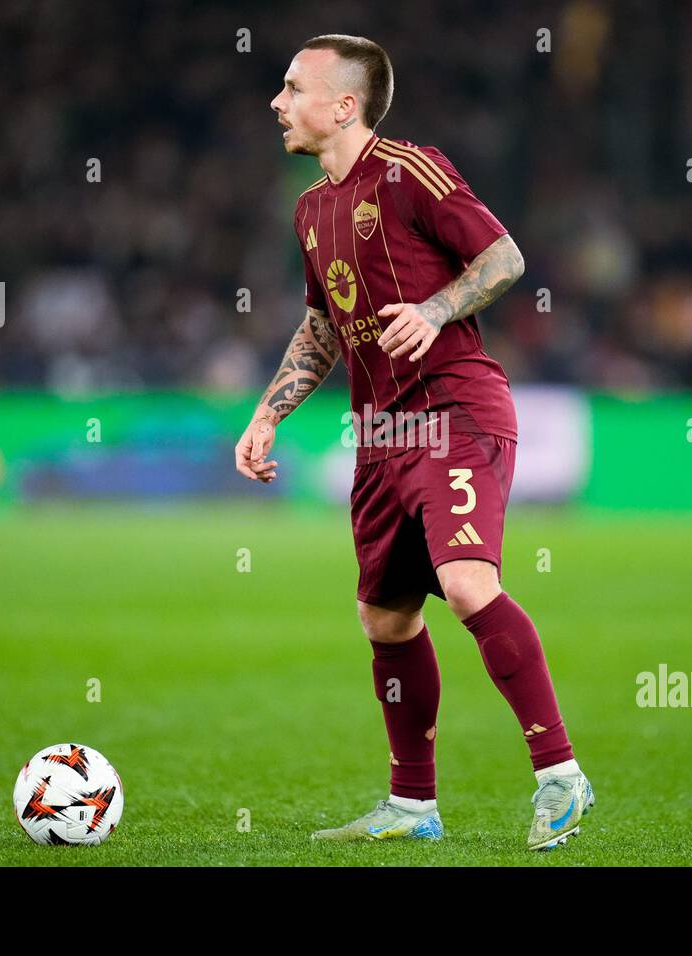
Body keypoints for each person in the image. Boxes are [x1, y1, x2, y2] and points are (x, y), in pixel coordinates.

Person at [236, 34, 593, 850]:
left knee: (468, 586)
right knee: (386, 620)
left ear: (344, 105)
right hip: (382, 434)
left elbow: (503, 255)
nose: (277, 102)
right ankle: (412, 805)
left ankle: (560, 775)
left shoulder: (409, 169)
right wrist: (268, 412)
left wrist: (434, 310)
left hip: (455, 411)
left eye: (292, 88)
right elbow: (323, 324)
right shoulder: (309, 207)